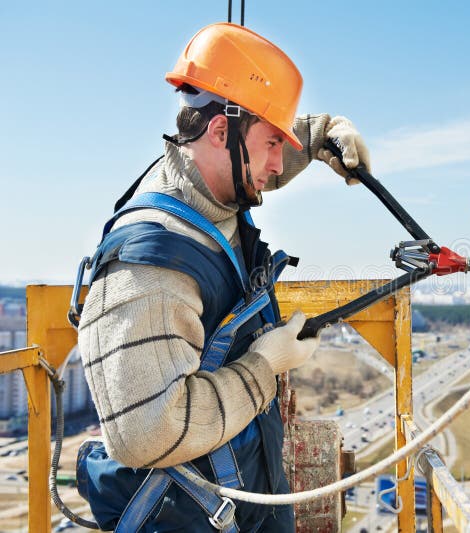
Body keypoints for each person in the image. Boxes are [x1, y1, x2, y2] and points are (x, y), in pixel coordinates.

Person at [76, 22, 370, 531]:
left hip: (238, 495)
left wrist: (320, 134)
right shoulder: (150, 268)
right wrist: (264, 365)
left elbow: (252, 156)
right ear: (218, 132)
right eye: (272, 143)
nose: (278, 165)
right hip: (191, 515)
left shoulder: (209, 186)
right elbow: (145, 434)